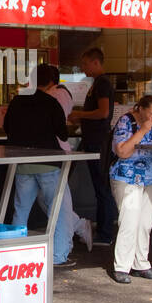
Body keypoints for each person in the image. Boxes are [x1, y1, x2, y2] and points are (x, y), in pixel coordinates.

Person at [3, 66, 75, 268]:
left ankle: (13, 254)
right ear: (51, 83)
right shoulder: (51, 103)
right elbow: (63, 134)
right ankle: (58, 256)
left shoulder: (17, 101)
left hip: (22, 163)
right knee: (58, 211)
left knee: (20, 211)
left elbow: (7, 127)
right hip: (48, 163)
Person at [107, 95, 152, 283]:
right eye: (151, 114)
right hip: (127, 177)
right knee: (129, 221)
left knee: (145, 223)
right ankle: (121, 266)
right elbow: (122, 151)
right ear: (140, 109)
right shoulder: (125, 121)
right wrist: (143, 130)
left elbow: (150, 141)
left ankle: (140, 263)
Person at [42, 68, 95, 252]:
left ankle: (65, 245)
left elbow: (56, 124)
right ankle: (79, 226)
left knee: (57, 199)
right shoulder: (59, 94)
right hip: (55, 150)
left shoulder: (55, 95)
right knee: (50, 198)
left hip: (56, 152)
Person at [67, 48, 115, 246]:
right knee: (99, 187)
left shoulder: (102, 83)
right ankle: (103, 230)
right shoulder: (96, 83)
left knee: (102, 187)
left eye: (85, 64)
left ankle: (105, 233)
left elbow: (103, 112)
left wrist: (80, 115)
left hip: (98, 141)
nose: (83, 68)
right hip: (92, 139)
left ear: (96, 62)